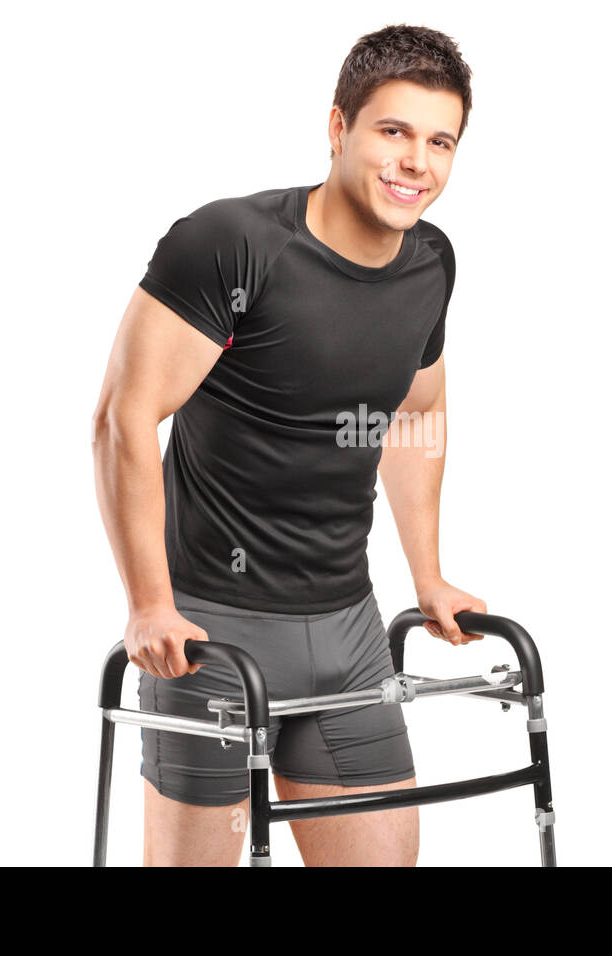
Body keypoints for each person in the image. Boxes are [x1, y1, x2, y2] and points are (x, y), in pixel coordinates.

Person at [91, 23, 485, 866]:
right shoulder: (231, 244)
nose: (416, 160)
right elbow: (123, 416)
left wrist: (429, 576)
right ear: (339, 127)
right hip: (212, 635)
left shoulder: (431, 262)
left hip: (346, 630)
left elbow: (416, 413)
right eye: (394, 131)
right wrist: (150, 602)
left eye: (439, 140)